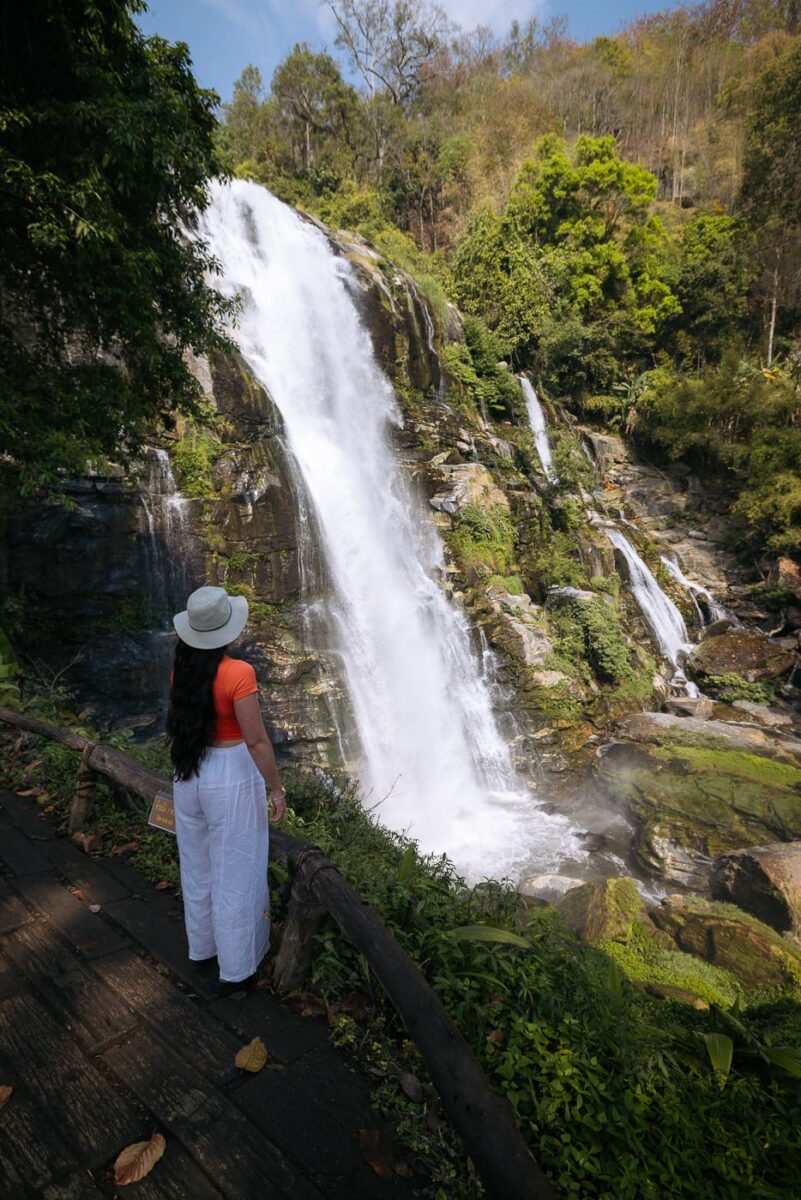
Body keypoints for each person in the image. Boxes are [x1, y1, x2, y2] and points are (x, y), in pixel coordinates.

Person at [166, 585, 286, 994]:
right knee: (237, 869)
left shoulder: (181, 670)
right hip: (231, 775)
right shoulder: (239, 673)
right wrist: (276, 789)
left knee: (197, 865)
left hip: (189, 772)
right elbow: (256, 741)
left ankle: (203, 949)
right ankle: (237, 969)